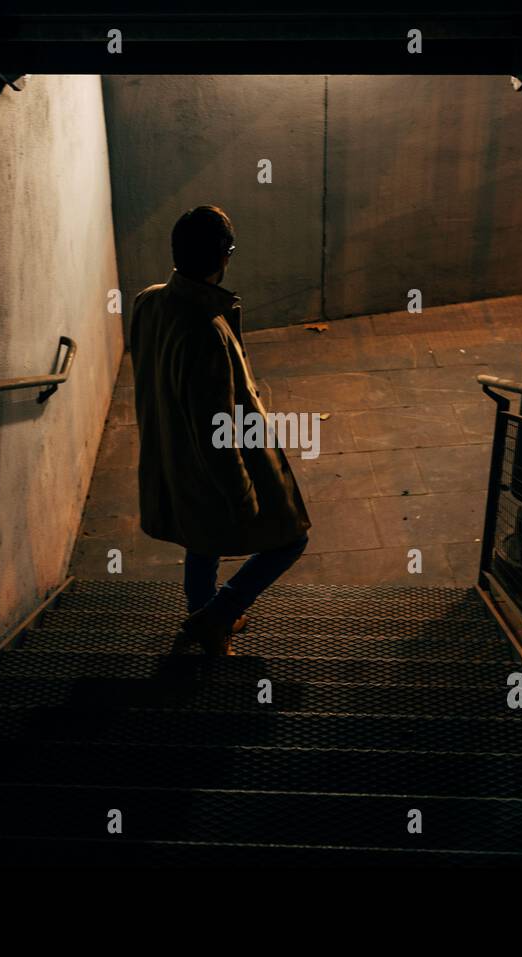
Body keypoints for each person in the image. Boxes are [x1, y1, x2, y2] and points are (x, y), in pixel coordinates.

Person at [129, 205, 310, 655]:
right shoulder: (206, 329)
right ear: (226, 256)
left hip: (169, 450)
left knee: (200, 540)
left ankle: (210, 621)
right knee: (290, 538)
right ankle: (217, 615)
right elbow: (219, 430)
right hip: (205, 463)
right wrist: (243, 495)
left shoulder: (148, 301)